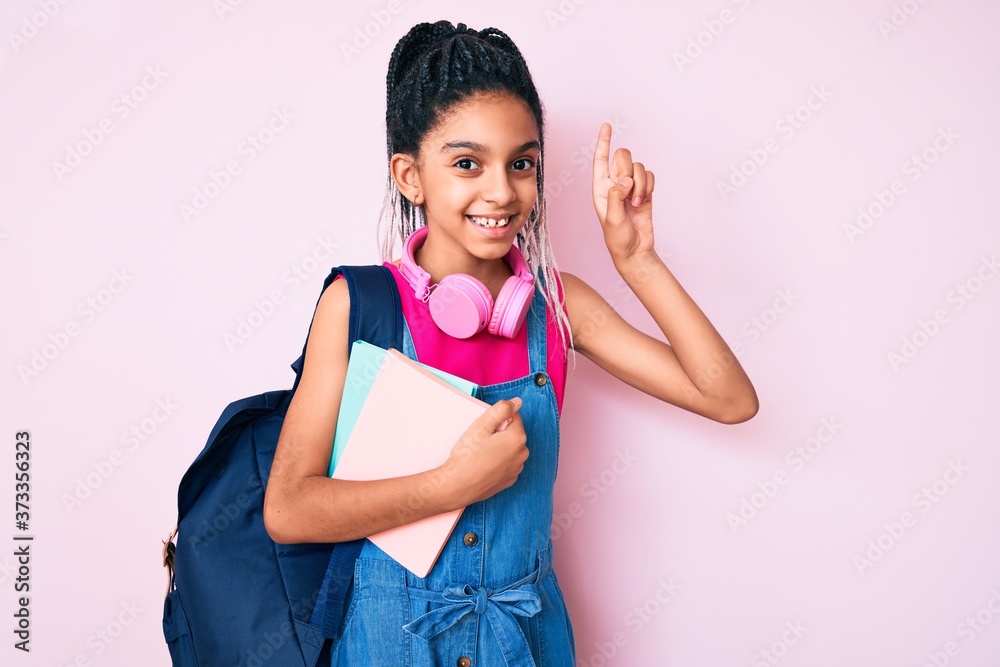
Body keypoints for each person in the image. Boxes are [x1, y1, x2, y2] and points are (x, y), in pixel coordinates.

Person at [263, 19, 758, 666]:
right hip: (390, 646)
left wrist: (638, 261)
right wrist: (447, 483)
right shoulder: (360, 305)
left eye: (522, 163)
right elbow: (289, 509)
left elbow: (727, 397)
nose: (502, 191)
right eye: (467, 163)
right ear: (410, 175)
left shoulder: (557, 304)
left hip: (525, 642)